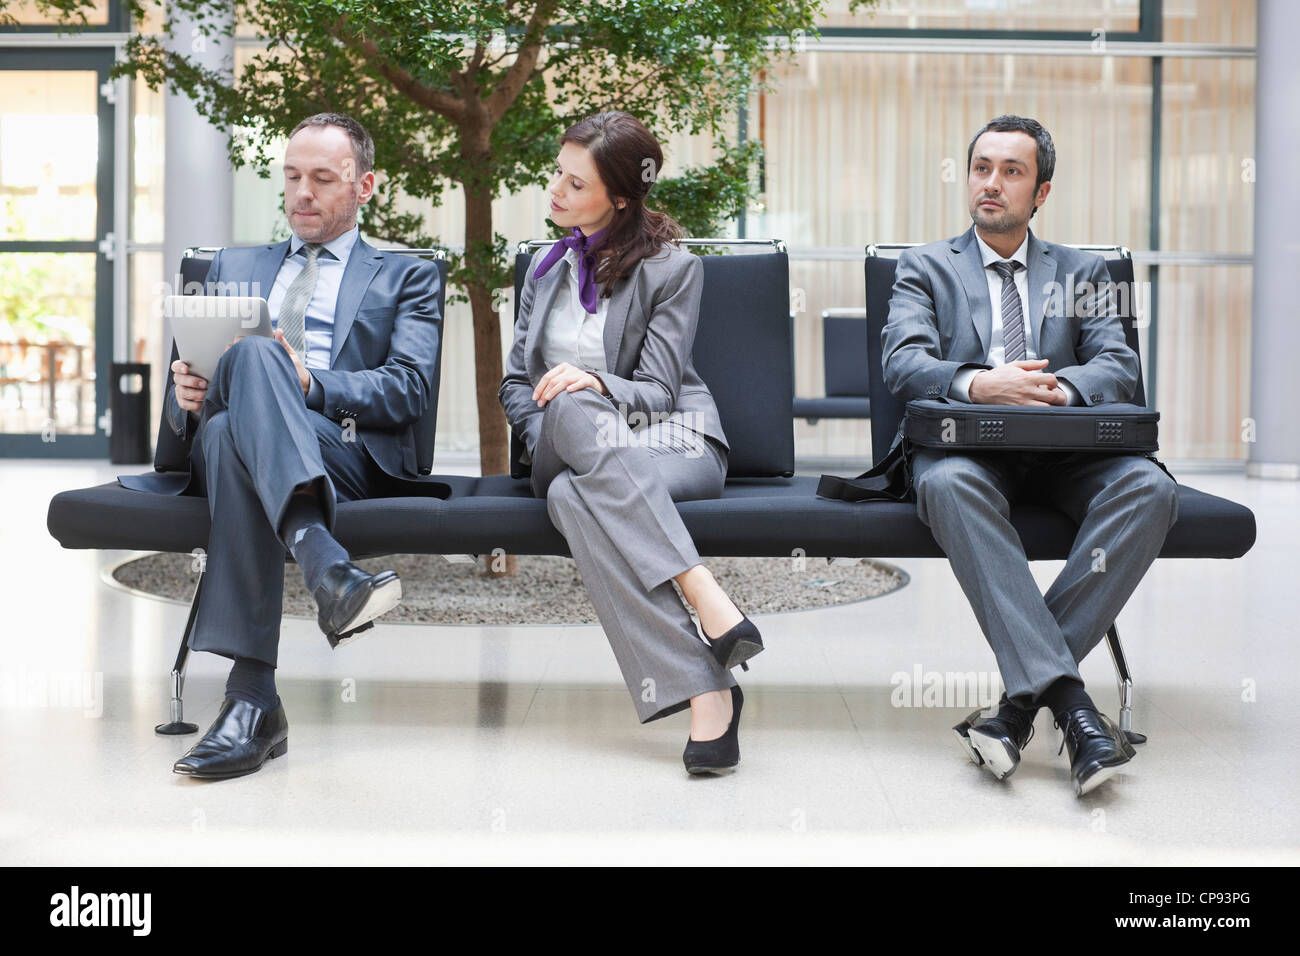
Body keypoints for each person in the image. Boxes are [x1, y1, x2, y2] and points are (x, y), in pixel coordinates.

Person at [121, 112, 449, 779]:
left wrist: (310, 380)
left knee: (245, 395)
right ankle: (324, 567)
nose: (303, 191)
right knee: (227, 405)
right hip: (240, 435)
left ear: (366, 186)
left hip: (348, 449)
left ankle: (255, 705)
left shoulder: (406, 275)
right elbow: (189, 403)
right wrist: (185, 394)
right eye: (292, 175)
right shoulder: (233, 265)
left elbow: (409, 392)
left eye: (323, 178)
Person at [881, 115, 1179, 796]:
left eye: (1011, 171)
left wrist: (1055, 390)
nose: (992, 183)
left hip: (1065, 448)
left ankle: (1016, 710)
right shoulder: (926, 266)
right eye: (982, 167)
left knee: (1150, 490)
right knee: (951, 485)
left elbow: (1119, 364)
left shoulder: (1082, 270)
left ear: (1041, 191)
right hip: (967, 449)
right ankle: (1073, 708)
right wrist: (982, 384)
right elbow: (903, 363)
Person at [499, 111, 761, 775]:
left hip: (673, 439)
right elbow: (513, 383)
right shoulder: (540, 266)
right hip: (562, 436)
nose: (555, 189)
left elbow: (660, 391)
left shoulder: (672, 268)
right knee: (573, 421)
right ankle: (704, 591)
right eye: (557, 172)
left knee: (575, 496)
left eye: (575, 182)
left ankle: (708, 693)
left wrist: (591, 385)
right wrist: (550, 424)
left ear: (619, 196)